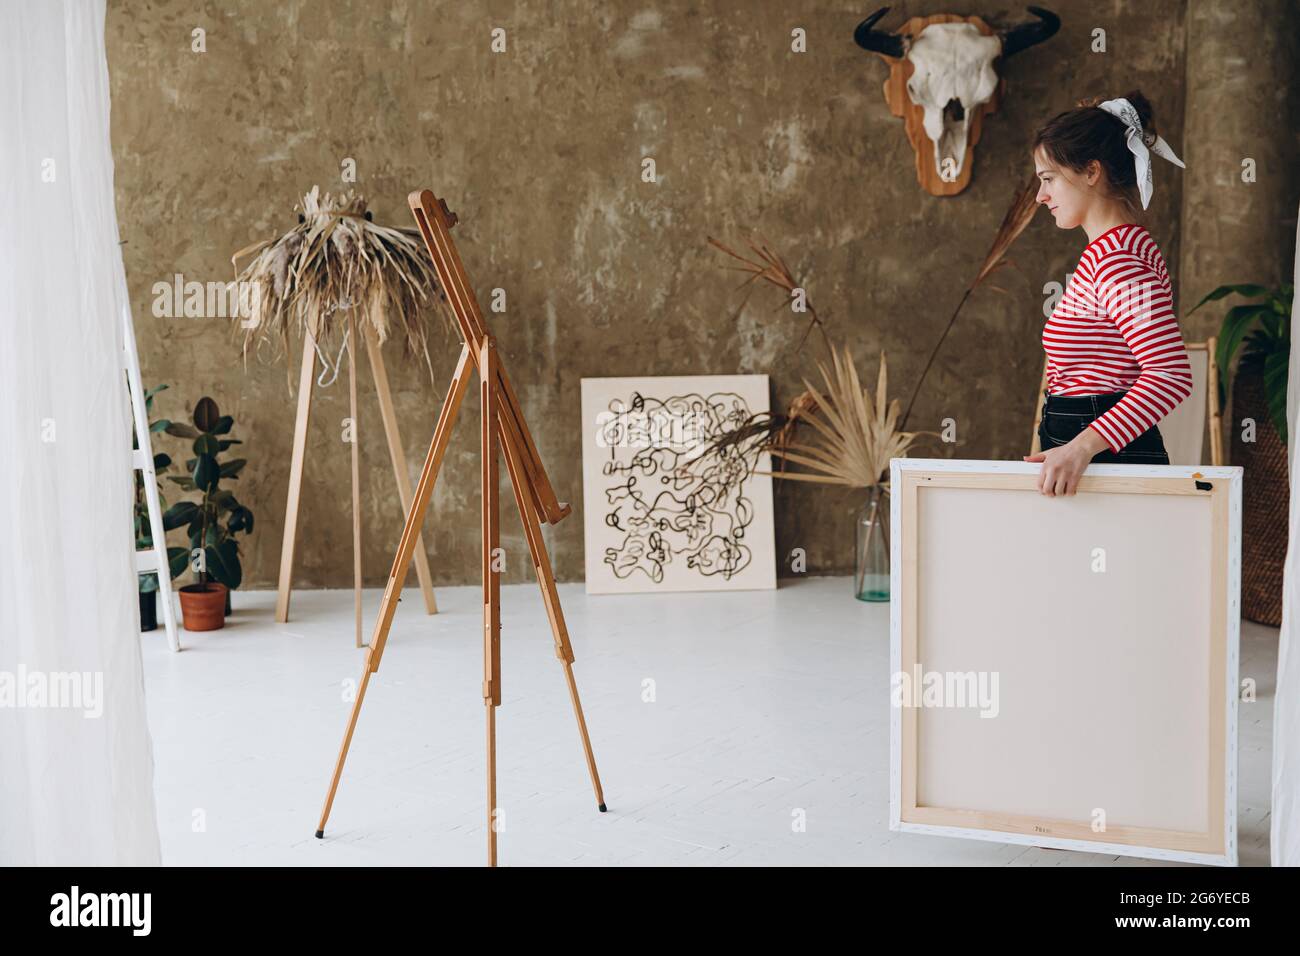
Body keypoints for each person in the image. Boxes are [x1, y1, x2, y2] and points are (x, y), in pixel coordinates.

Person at [1023, 91, 1192, 497]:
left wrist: (1081, 447)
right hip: (1095, 458)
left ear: (1090, 172)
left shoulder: (1118, 260)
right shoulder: (1114, 250)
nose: (1040, 196)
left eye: (1048, 179)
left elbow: (1169, 375)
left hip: (1106, 461)